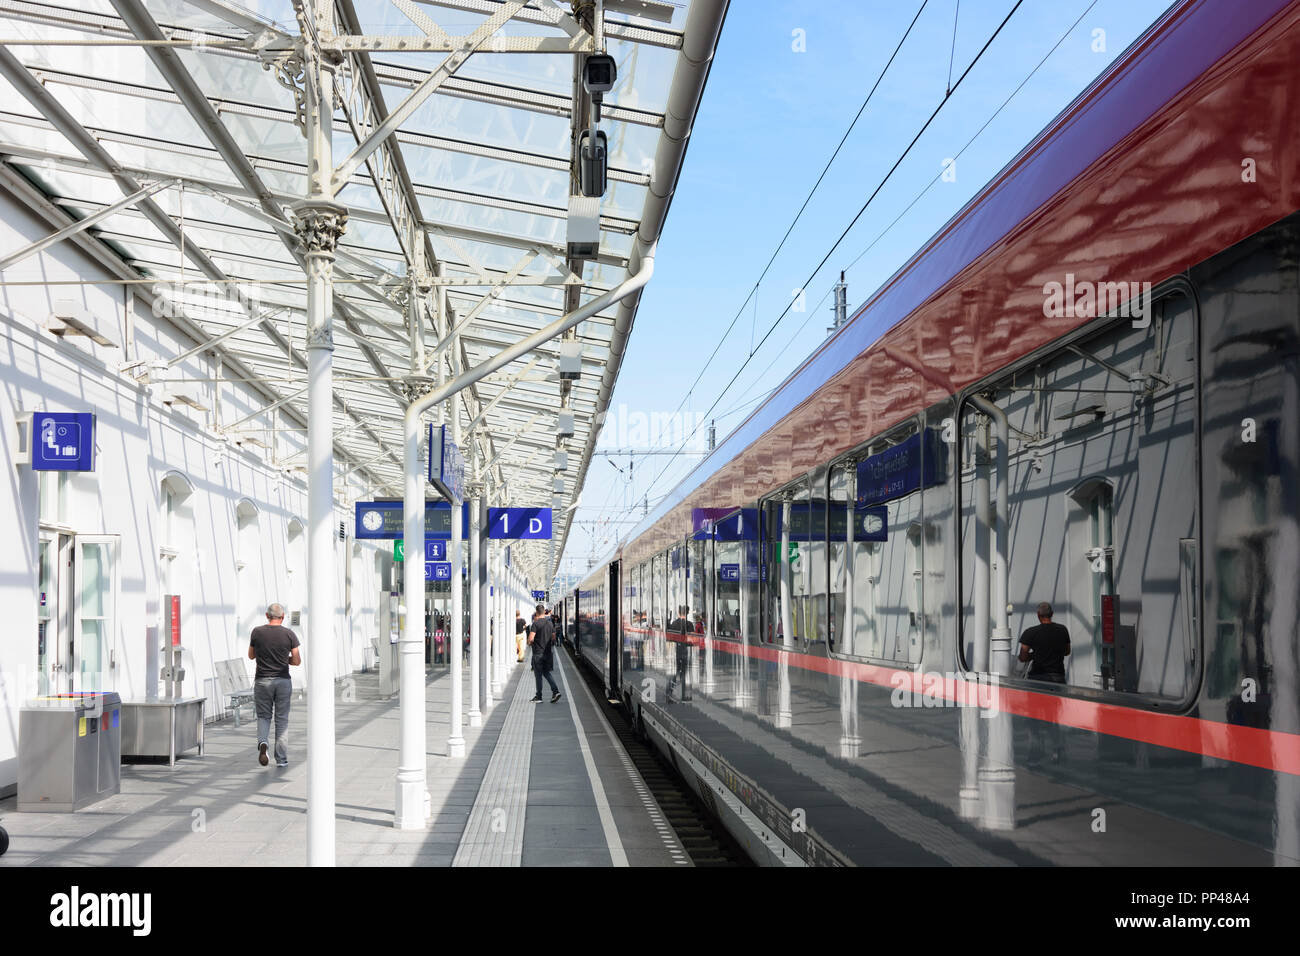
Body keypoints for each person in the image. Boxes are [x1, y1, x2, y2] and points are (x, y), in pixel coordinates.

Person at [248, 602, 300, 768]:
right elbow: (297, 660)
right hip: (283, 680)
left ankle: (263, 743)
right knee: (281, 719)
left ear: (267, 615)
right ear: (283, 617)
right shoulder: (289, 634)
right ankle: (281, 759)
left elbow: (251, 655)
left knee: (264, 716)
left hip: (262, 680)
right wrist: (285, 659)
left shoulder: (257, 632)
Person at [1018, 602, 1071, 683]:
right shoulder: (1063, 630)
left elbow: (1022, 657)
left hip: (1037, 677)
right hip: (1058, 677)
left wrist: (1035, 655)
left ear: (1038, 614)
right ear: (1052, 614)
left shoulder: (1030, 632)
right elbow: (1067, 652)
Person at [528, 603, 561, 704]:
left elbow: (531, 639)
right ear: (544, 612)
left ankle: (539, 697)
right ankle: (555, 691)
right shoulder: (550, 623)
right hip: (548, 653)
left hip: (538, 653)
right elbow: (553, 637)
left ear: (537, 613)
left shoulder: (536, 624)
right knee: (546, 673)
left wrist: (530, 642)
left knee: (538, 675)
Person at [666, 605, 691, 702]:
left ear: (678, 612)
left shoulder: (674, 624)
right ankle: (683, 695)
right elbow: (692, 641)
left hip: (676, 652)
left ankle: (669, 692)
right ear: (687, 613)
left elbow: (670, 638)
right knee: (684, 674)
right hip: (685, 652)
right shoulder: (689, 624)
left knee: (675, 673)